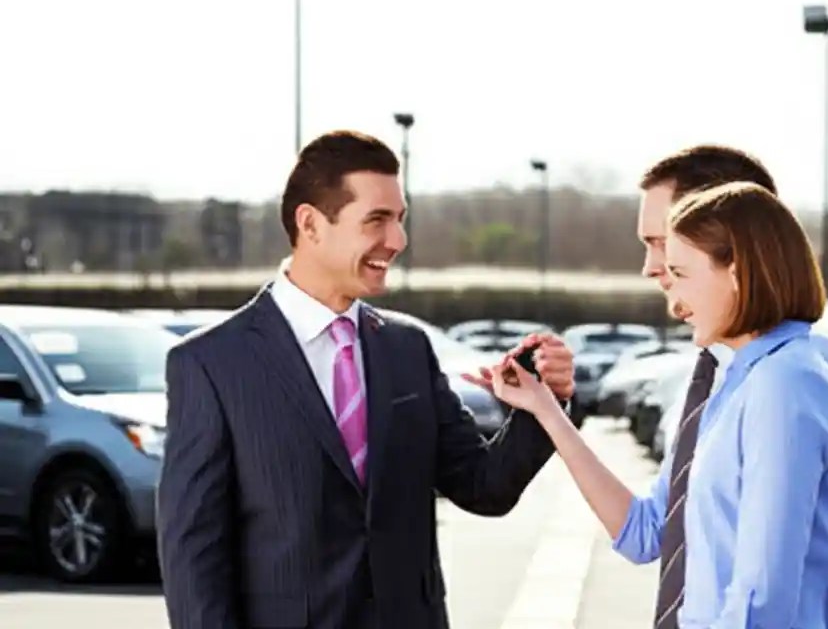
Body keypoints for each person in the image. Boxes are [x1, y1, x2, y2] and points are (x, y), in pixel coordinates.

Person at [156, 130, 576, 629]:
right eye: (377, 220)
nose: (397, 241)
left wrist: (541, 405)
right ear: (310, 223)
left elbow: (485, 487)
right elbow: (194, 558)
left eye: (400, 220)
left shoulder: (407, 349)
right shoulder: (210, 365)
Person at [486, 180, 828, 629]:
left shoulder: (785, 381)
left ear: (738, 272)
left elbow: (761, 600)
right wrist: (546, 410)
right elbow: (644, 531)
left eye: (682, 275)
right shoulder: (739, 382)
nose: (676, 305)